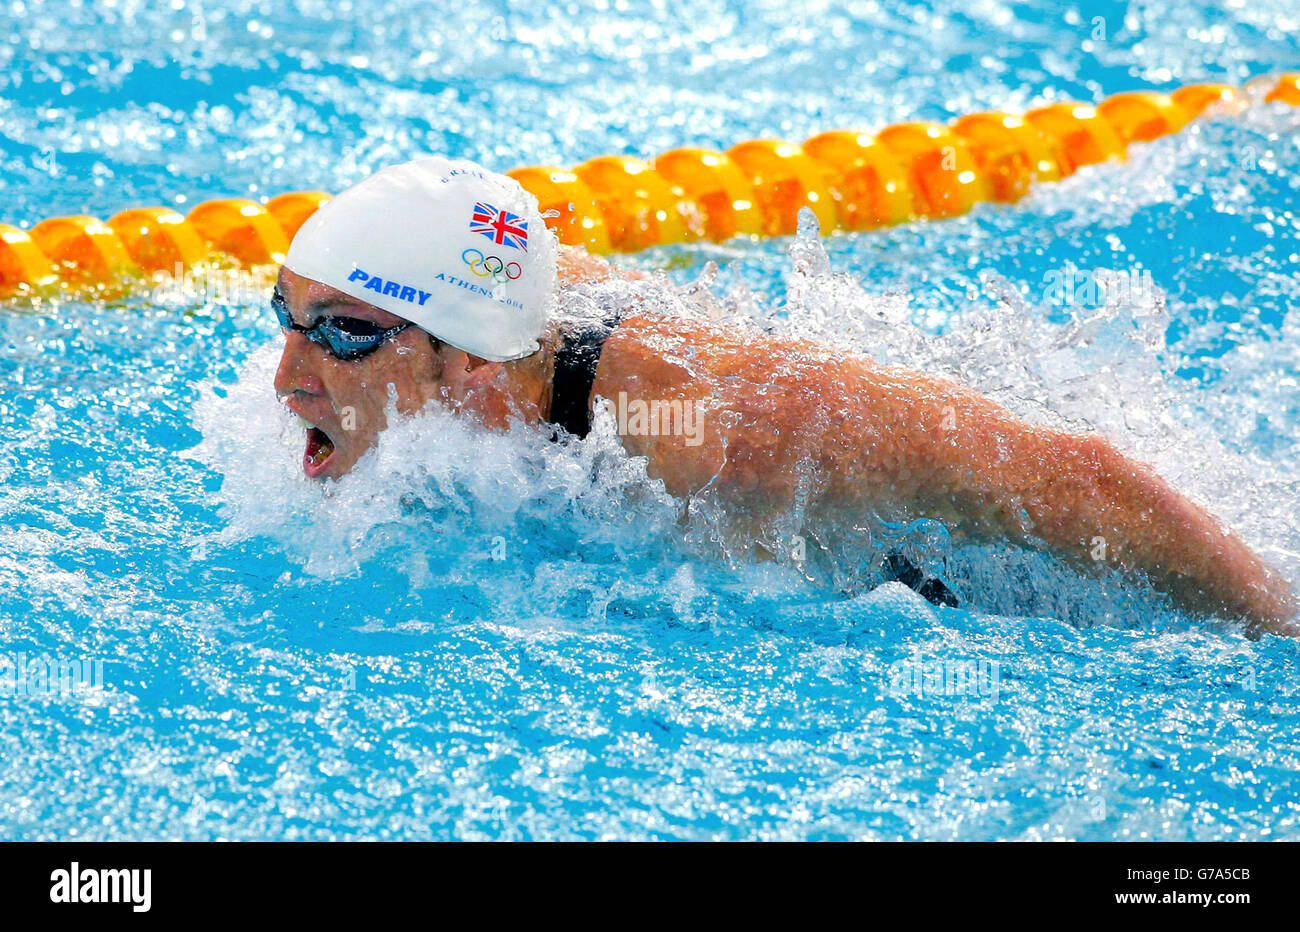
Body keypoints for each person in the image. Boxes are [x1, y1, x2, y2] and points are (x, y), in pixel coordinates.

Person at [271, 156, 1297, 635]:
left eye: (345, 335)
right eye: (287, 313)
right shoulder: (460, 320)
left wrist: (1275, 624)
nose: (287, 378)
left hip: (963, 558)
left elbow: (1079, 476)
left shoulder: (715, 433)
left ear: (473, 376)